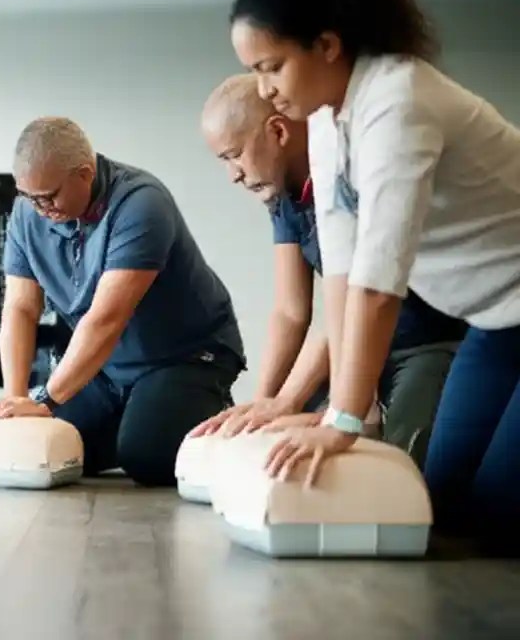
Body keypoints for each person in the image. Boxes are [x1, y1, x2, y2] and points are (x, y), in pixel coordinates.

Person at [228, 0, 520, 555]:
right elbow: (341, 270)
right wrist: (337, 403)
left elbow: (380, 279)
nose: (264, 91)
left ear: (327, 45)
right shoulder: (332, 119)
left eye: (271, 67)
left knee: (497, 515)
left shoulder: (399, 100)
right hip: (494, 326)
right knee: (440, 500)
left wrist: (345, 420)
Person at [190, 73, 466, 468]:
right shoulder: (284, 199)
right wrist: (265, 402)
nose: (233, 172)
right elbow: (291, 311)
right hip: (350, 344)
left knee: (401, 462)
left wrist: (291, 400)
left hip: (423, 343)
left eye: (233, 154)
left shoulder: (348, 174)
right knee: (287, 437)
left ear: (278, 131)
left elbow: (357, 298)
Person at [0, 117, 246, 486]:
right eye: (29, 196)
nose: (40, 208)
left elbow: (107, 318)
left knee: (146, 457)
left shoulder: (141, 203)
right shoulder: (28, 211)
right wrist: (16, 404)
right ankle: (138, 418)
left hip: (184, 357)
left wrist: (45, 401)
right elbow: (21, 308)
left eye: (49, 196)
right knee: (47, 451)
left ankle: (208, 410)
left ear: (85, 174)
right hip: (109, 368)